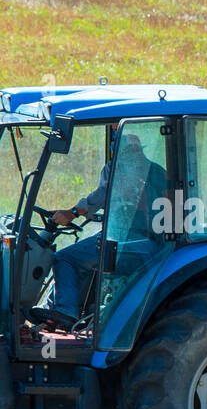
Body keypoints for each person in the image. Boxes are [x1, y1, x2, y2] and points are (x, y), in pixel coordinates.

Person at [30, 132, 158, 329]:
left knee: (64, 258)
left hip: (126, 240)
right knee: (83, 255)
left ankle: (66, 311)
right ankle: (69, 314)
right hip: (151, 241)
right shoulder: (158, 172)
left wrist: (72, 213)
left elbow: (99, 197)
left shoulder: (118, 169)